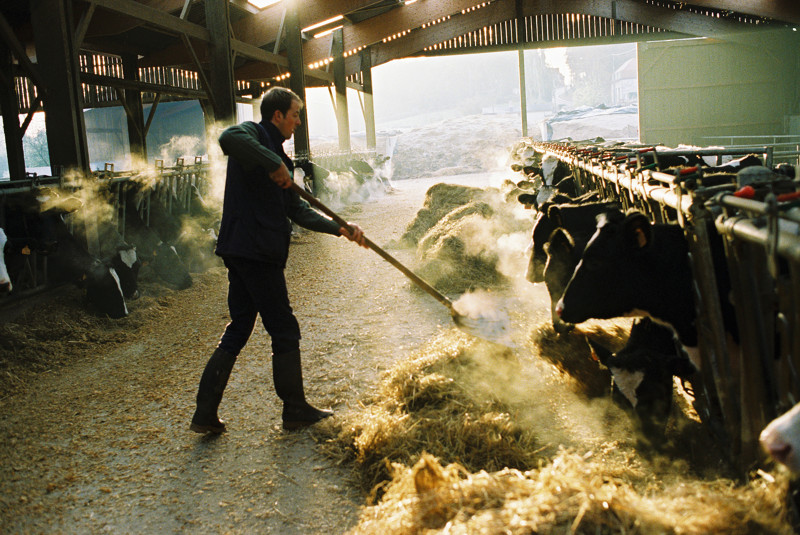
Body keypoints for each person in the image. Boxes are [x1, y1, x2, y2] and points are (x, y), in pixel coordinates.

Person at [190, 87, 366, 434]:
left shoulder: (282, 159)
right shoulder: (252, 135)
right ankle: (294, 409)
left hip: (244, 250)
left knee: (239, 328)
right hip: (257, 252)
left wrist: (339, 228)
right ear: (277, 116)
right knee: (284, 327)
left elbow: (297, 210)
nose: (298, 122)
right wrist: (271, 164)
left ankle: (204, 414)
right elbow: (227, 137)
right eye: (296, 114)